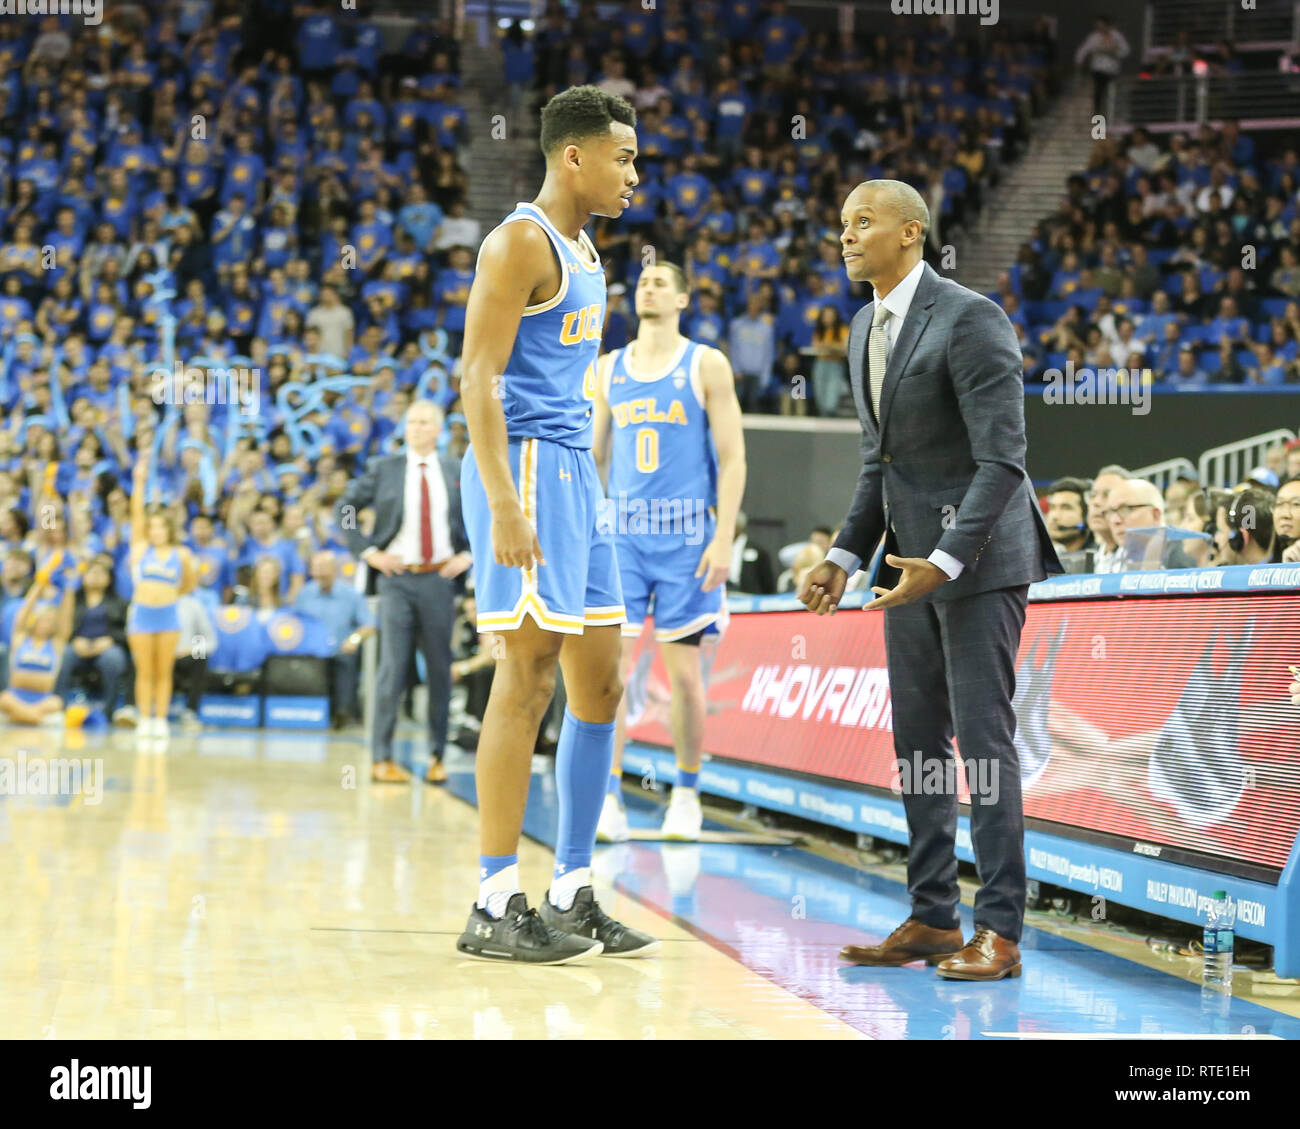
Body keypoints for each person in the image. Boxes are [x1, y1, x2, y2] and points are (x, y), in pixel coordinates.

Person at [799, 179, 1062, 981]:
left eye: (864, 222)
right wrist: (843, 557)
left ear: (911, 233)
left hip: (975, 566)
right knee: (918, 745)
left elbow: (1003, 462)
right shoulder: (858, 329)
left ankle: (1002, 931)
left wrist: (945, 562)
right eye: (842, 223)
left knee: (982, 746)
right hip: (905, 568)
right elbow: (879, 466)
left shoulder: (971, 317)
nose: (846, 236)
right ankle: (933, 915)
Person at [455, 85, 659, 963]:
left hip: (581, 473)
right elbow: (477, 373)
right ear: (574, 155)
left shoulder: (587, 248)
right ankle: (496, 896)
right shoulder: (518, 241)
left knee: (600, 683)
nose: (635, 176)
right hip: (527, 466)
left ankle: (572, 889)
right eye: (624, 158)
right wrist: (502, 497)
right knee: (528, 671)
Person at [591, 261, 746, 843]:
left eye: (661, 282)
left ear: (683, 299)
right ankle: (608, 800)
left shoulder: (705, 363)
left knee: (684, 675)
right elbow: (593, 457)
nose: (647, 287)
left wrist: (724, 534)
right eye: (642, 281)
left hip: (687, 537)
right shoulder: (608, 369)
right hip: (625, 537)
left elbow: (733, 458)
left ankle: (685, 794)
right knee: (614, 674)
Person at [336, 400, 470, 782]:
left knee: (441, 670)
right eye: (410, 421)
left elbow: (484, 513)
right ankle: (381, 757)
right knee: (391, 668)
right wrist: (368, 552)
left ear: (439, 429)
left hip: (438, 580)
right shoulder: (385, 469)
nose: (415, 427)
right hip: (396, 579)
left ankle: (437, 756)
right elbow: (345, 507)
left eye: (424, 422)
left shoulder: (456, 470)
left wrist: (469, 554)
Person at [127, 455, 196, 742]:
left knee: (164, 670)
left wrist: (168, 596)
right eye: (152, 526)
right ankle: (144, 718)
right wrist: (139, 481)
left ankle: (161, 719)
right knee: (144, 670)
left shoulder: (182, 554)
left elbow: (188, 585)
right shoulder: (140, 547)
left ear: (169, 529)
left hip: (168, 614)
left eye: (161, 526)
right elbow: (136, 514)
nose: (155, 530)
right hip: (142, 613)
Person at [293, 548, 376, 729]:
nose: (320, 572)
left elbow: (369, 625)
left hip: (340, 649)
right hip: (311, 652)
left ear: (335, 569)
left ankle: (342, 711)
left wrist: (353, 640)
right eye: (316, 568)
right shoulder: (304, 594)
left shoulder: (351, 595)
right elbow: (294, 623)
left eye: (324, 567)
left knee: (346, 660)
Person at [0, 559, 73, 726]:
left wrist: (68, 589)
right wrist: (40, 583)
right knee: (4, 698)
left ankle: (21, 716)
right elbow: (24, 612)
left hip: (43, 700)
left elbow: (67, 619)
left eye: (50, 621)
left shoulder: (56, 644)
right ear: (35, 620)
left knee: (57, 703)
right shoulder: (21, 638)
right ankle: (33, 718)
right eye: (42, 619)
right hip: (16, 696)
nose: (45, 624)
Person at [61, 554, 130, 719]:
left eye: (101, 573)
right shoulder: (73, 600)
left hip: (108, 647)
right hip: (78, 646)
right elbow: (61, 627)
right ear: (83, 578)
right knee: (63, 654)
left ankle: (109, 710)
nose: (95, 577)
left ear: (109, 579)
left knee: (113, 658)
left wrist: (110, 640)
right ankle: (59, 707)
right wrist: (74, 640)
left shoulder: (120, 603)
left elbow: (128, 632)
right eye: (91, 572)